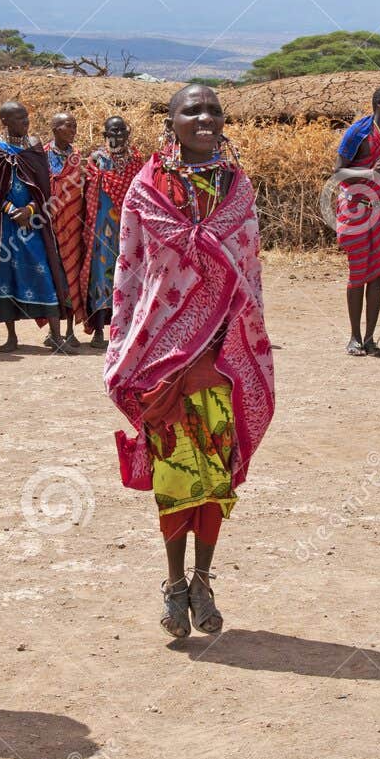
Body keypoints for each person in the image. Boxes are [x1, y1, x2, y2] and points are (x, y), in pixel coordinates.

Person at [104, 85, 274, 640]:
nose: (205, 118)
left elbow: (248, 273)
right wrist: (128, 343)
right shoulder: (147, 189)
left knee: (216, 475)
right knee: (176, 475)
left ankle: (203, 581)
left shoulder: (237, 189)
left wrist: (240, 338)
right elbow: (130, 272)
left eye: (213, 111)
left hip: (222, 356)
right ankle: (175, 585)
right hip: (163, 357)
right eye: (191, 111)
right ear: (170, 121)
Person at [0, 100, 70, 353]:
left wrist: (29, 210)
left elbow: (44, 189)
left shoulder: (35, 148)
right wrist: (11, 210)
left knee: (45, 273)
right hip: (5, 225)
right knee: (5, 277)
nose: (25, 122)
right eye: (19, 118)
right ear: (5, 121)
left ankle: (56, 335)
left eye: (26, 117)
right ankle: (11, 336)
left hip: (33, 223)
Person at [334, 86, 380, 356]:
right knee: (358, 273)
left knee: (377, 274)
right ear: (379, 104)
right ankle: (354, 337)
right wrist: (369, 172)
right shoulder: (358, 133)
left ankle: (369, 338)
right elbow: (338, 172)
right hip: (356, 210)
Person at [83, 115, 146, 349]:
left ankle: (127, 328)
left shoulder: (136, 160)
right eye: (112, 131)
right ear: (105, 135)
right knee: (100, 275)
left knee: (130, 274)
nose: (117, 135)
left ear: (128, 134)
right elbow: (86, 191)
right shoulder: (96, 159)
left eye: (121, 131)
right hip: (102, 228)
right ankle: (99, 330)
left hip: (129, 228)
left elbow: (142, 193)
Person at [45, 112, 89, 347]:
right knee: (53, 276)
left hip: (73, 223)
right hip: (47, 223)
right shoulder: (42, 154)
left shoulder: (76, 157)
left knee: (72, 274)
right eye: (68, 125)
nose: (73, 130)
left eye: (75, 125)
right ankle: (54, 331)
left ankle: (71, 331)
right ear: (54, 128)